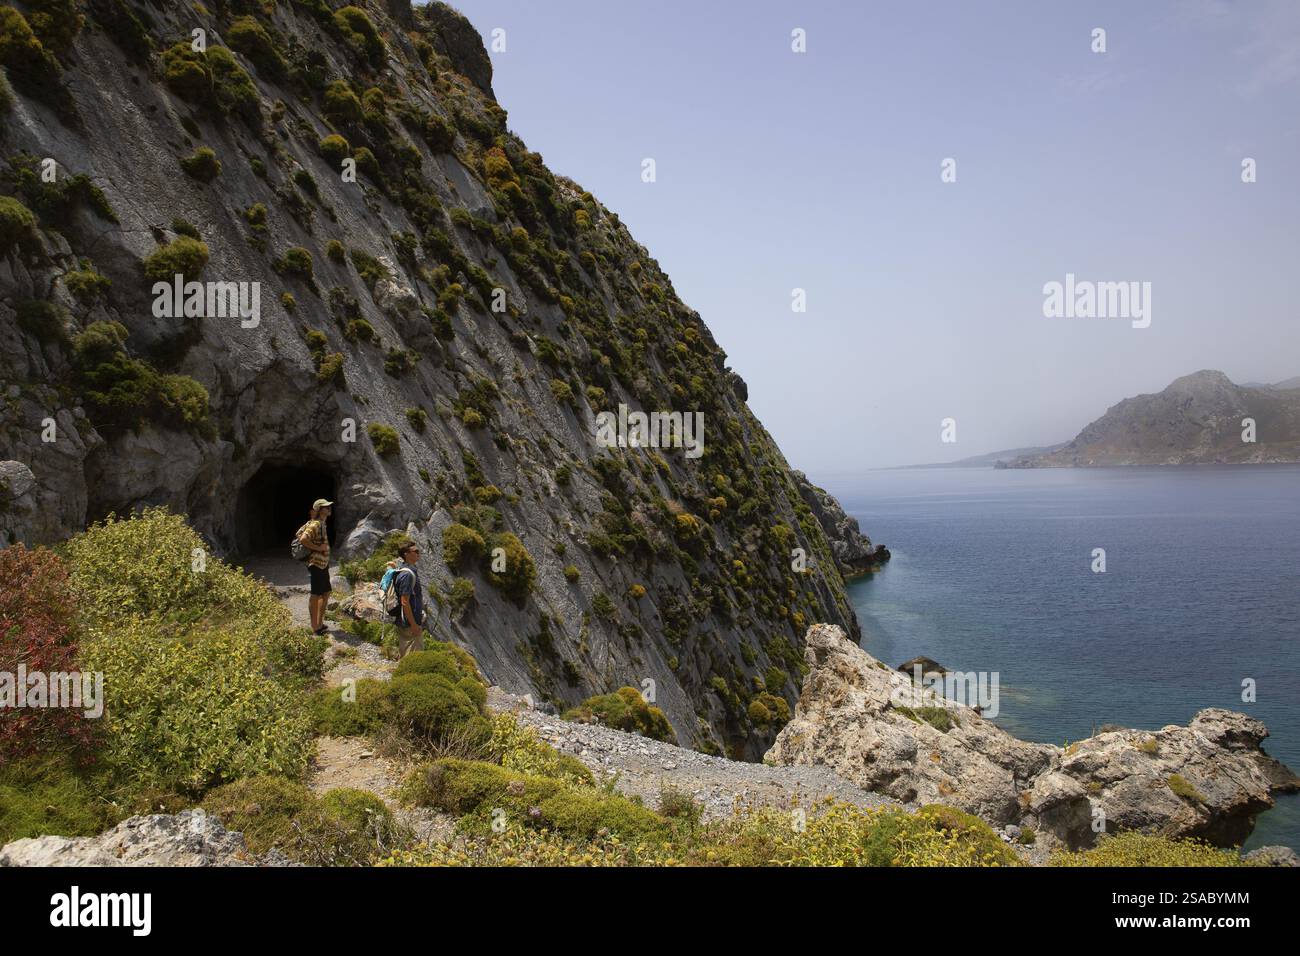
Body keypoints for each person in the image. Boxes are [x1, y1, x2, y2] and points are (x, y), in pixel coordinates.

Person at [299, 499, 333, 635]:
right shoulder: (316, 524)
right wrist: (318, 548)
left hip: (323, 564)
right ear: (320, 509)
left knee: (326, 592)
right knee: (315, 594)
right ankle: (315, 627)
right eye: (326, 506)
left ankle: (319, 622)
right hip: (316, 564)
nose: (329, 508)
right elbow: (303, 539)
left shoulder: (322, 523)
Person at [392, 540, 424, 658]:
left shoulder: (407, 571)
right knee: (414, 658)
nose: (418, 553)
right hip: (409, 624)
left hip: (408, 622)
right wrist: (414, 625)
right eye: (415, 551)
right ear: (406, 554)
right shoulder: (408, 575)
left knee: (409, 655)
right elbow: (404, 602)